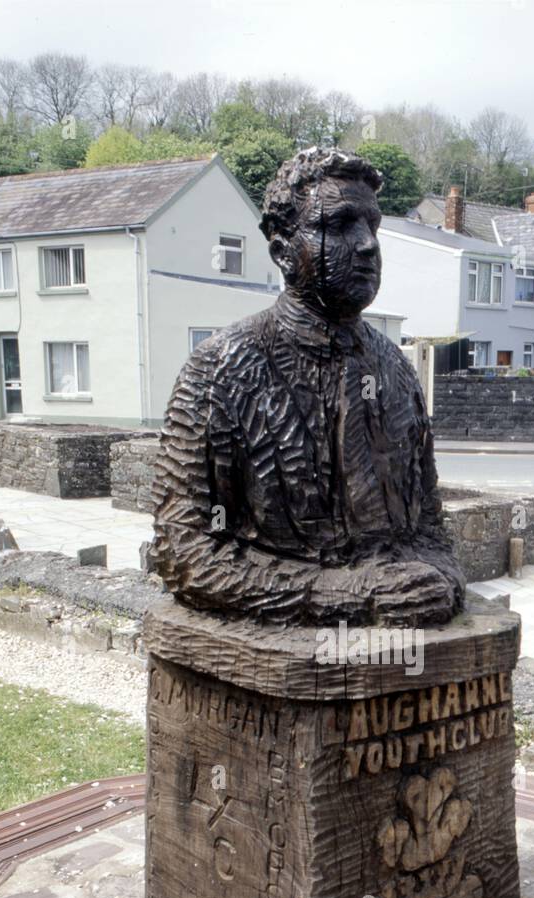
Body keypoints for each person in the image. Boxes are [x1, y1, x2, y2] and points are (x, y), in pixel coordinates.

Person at [152, 146, 466, 627]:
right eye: (339, 226)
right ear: (281, 249)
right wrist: (343, 594)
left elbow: (429, 530)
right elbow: (184, 550)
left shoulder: (397, 372)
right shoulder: (218, 372)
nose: (367, 245)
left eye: (372, 226)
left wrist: (441, 579)